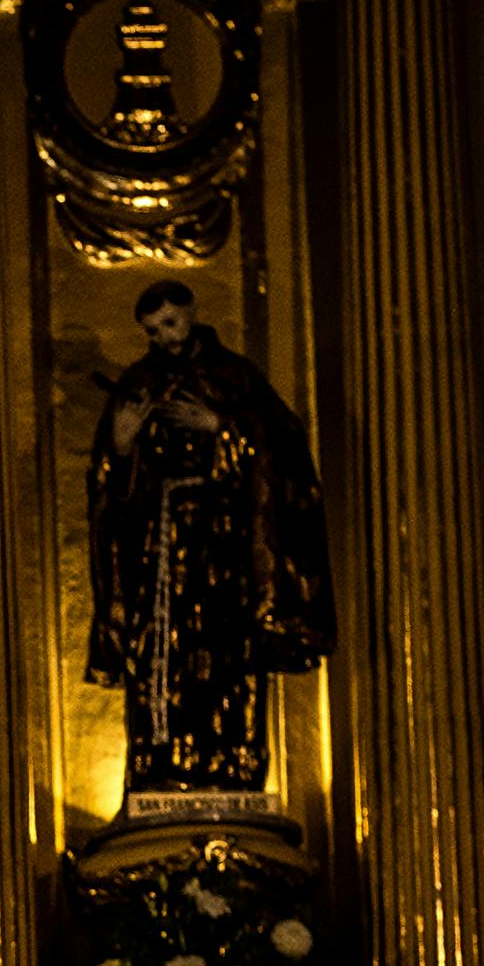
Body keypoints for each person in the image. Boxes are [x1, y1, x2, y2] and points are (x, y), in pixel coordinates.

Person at [86, 277, 334, 795]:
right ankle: (161, 765)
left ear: (191, 313)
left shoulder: (236, 377)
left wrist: (222, 428)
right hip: (158, 548)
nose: (164, 340)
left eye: (171, 324)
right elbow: (111, 489)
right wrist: (123, 445)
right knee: (162, 656)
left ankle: (232, 764)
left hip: (224, 548)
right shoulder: (140, 382)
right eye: (153, 332)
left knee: (226, 657)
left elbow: (285, 455)